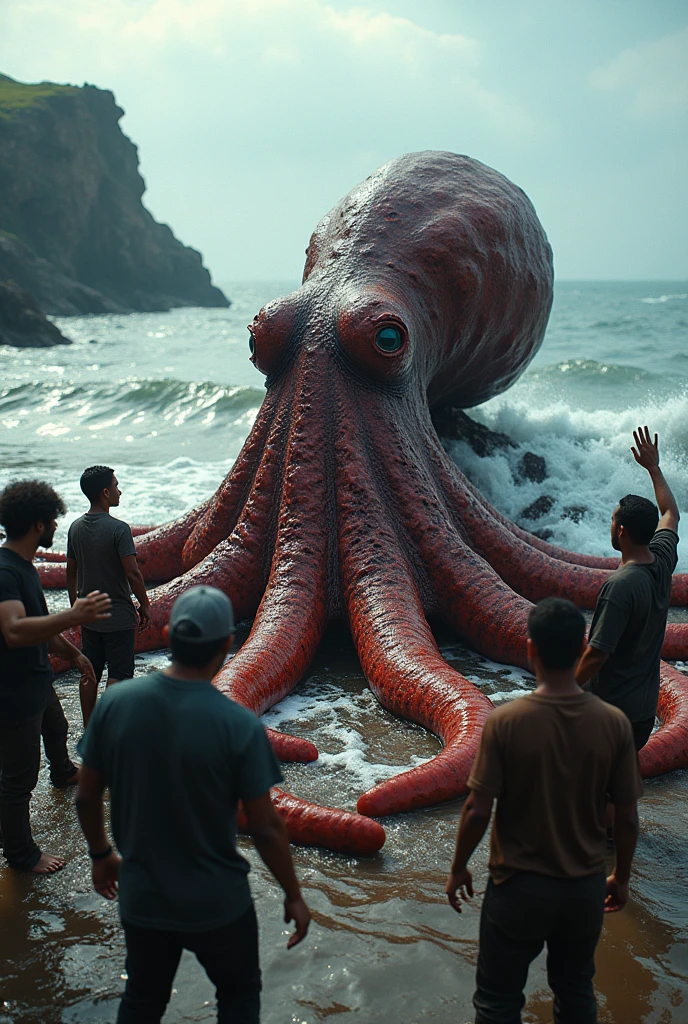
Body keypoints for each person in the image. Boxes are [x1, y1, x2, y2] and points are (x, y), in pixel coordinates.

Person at [75, 584, 311, 1024]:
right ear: (227, 644)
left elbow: (86, 797)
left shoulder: (116, 705)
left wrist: (101, 854)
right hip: (218, 902)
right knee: (238, 999)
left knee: (143, 1001)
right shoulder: (239, 725)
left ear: (167, 634)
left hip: (143, 897)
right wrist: (293, 895)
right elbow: (265, 827)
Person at [446, 597, 642, 1024]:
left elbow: (477, 810)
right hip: (583, 889)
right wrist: (621, 877)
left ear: (530, 649)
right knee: (575, 995)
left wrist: (459, 867)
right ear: (580, 650)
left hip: (518, 887)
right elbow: (626, 816)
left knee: (497, 1003)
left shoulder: (506, 721)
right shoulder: (614, 724)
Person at [0, 480, 112, 874]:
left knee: (56, 725)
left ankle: (63, 772)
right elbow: (15, 631)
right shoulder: (5, 573)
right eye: (51, 520)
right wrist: (76, 615)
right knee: (19, 778)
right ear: (37, 524)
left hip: (36, 679)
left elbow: (42, 627)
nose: (54, 526)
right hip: (13, 691)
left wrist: (76, 654)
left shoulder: (24, 568)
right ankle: (21, 854)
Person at [576, 426, 680, 750]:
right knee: (618, 790)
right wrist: (654, 467)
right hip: (641, 714)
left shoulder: (619, 586)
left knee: (593, 791)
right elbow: (670, 512)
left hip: (609, 711)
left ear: (621, 530)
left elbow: (596, 655)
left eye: (611, 520)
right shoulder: (661, 561)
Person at [66, 465, 151, 725]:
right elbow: (133, 574)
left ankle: (91, 728)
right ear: (105, 492)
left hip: (90, 616)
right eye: (116, 486)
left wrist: (75, 608)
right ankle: (110, 731)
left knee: (89, 672)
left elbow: (71, 572)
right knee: (120, 675)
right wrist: (145, 604)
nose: (119, 490)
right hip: (118, 617)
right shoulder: (119, 529)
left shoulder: (75, 528)